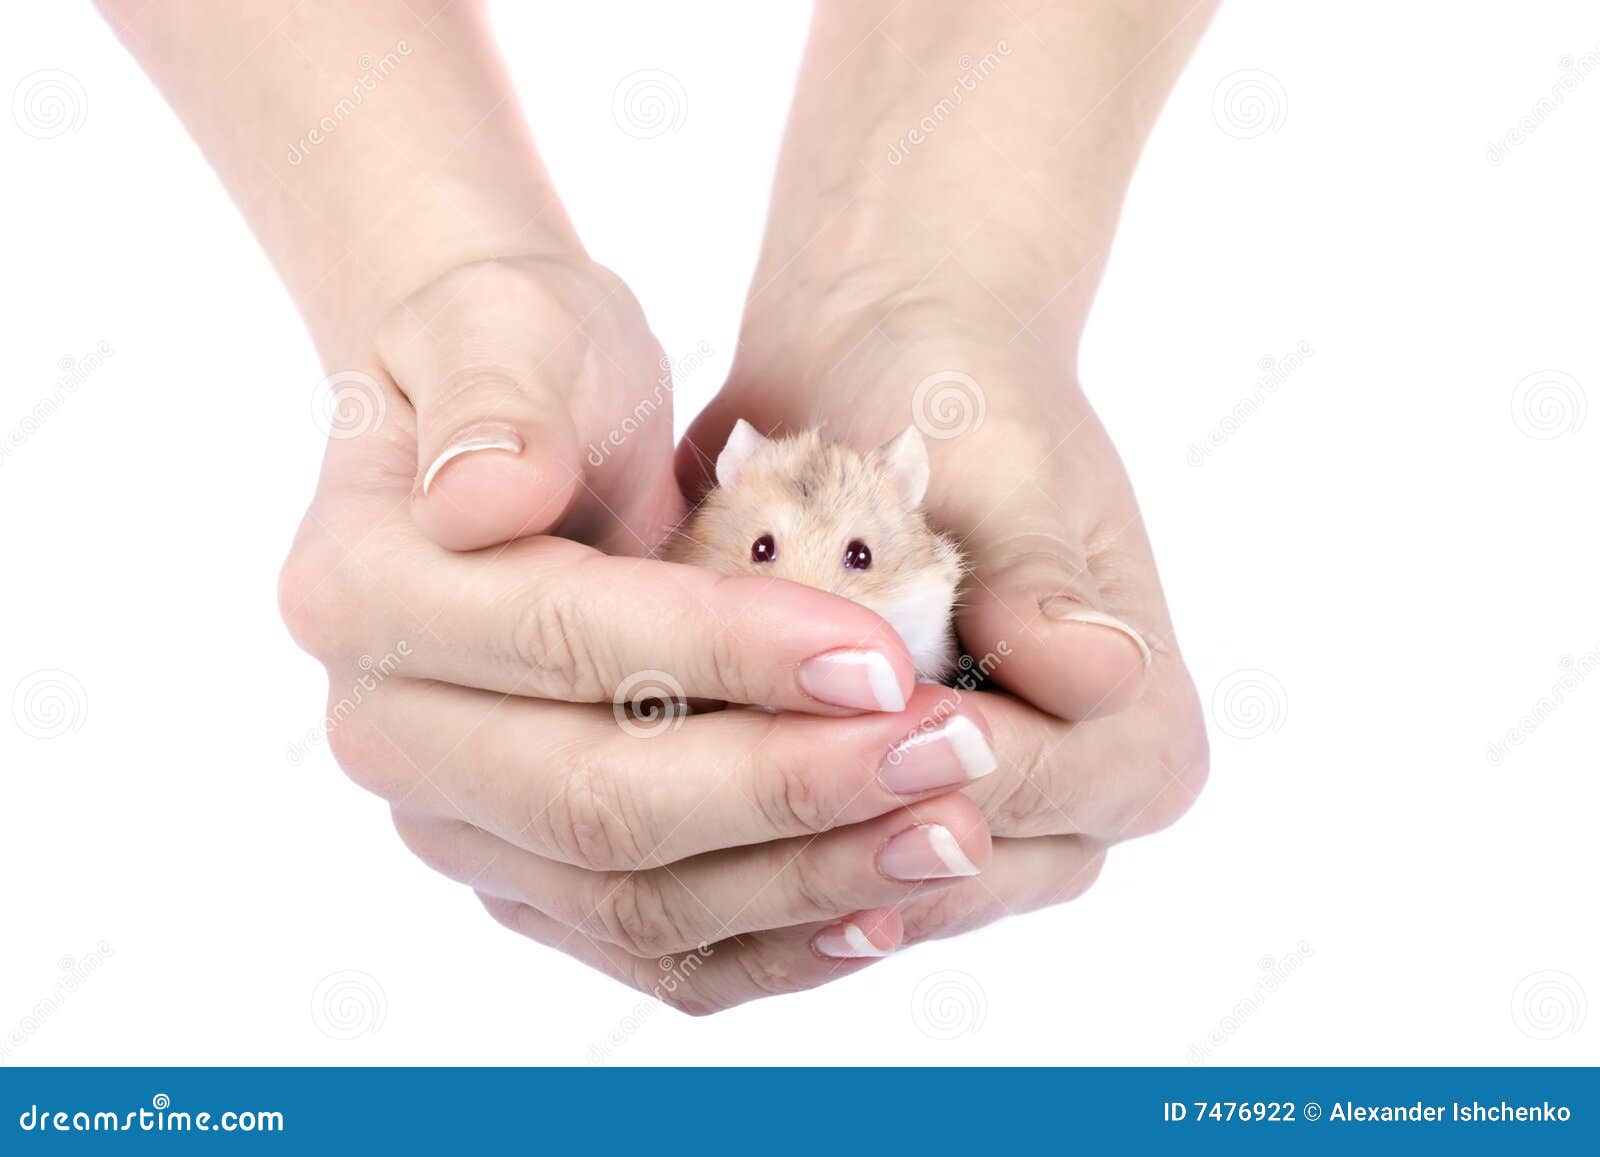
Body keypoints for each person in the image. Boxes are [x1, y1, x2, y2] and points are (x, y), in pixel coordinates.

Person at [98, 0, 1210, 1013]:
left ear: (909, 535)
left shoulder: (931, 570)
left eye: (859, 555)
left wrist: (924, 286)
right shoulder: (692, 548)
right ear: (728, 517)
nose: (809, 586)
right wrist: (447, 282)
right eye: (769, 548)